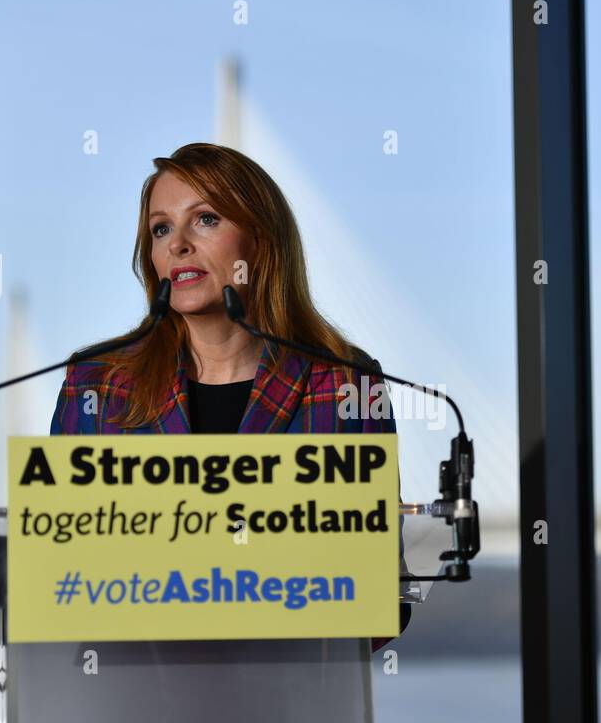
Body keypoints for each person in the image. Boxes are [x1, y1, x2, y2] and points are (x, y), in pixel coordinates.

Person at [50, 142, 410, 650]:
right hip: (132, 705)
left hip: (293, 704)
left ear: (260, 241)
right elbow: (62, 581)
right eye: (160, 229)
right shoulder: (96, 386)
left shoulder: (346, 383)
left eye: (205, 220)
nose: (176, 245)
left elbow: (379, 595)